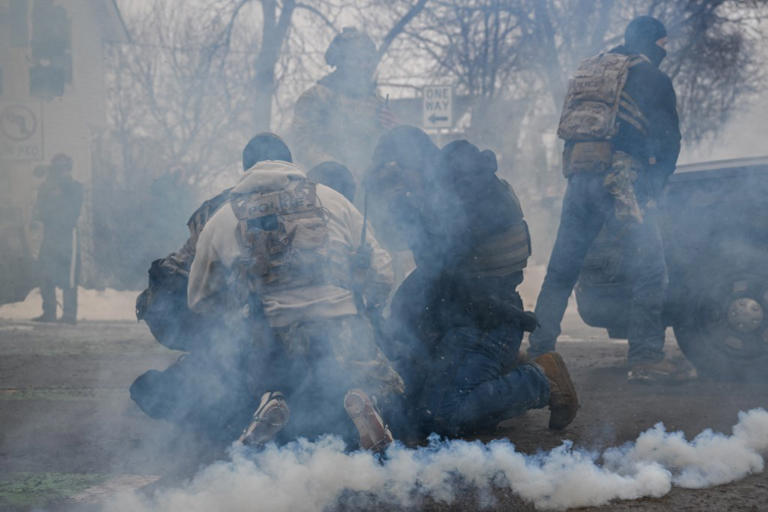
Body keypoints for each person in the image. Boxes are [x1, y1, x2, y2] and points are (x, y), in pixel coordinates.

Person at [187, 133, 404, 451]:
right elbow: (383, 269)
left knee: (255, 377)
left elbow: (199, 300)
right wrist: (369, 305)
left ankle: (271, 398)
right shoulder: (331, 199)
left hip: (271, 340)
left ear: (245, 168)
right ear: (291, 162)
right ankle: (363, 395)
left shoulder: (224, 217)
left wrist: (234, 318)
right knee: (387, 385)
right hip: (343, 328)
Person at [365, 126, 579, 440]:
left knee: (443, 414)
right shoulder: (435, 190)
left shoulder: (467, 185)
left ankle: (541, 379)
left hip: (487, 320)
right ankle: (498, 371)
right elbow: (399, 244)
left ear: (411, 165)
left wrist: (403, 202)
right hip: (453, 314)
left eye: (398, 176)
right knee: (406, 415)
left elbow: (441, 258)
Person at [528, 16, 685, 383]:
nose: (665, 52)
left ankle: (538, 351)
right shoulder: (653, 78)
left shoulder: (594, 71)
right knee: (650, 269)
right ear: (653, 43)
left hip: (580, 176)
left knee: (561, 270)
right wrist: (654, 185)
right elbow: (668, 142)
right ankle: (646, 357)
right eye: (663, 44)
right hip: (622, 182)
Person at [290, 27, 394, 184]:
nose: (364, 66)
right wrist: (337, 170)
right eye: (357, 60)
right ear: (341, 60)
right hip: (327, 186)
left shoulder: (376, 101)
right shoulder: (316, 97)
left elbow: (381, 148)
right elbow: (302, 144)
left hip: (369, 186)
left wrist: (392, 130)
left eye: (367, 60)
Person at [32, 154, 83, 324]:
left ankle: (69, 315)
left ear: (68, 169)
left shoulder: (75, 187)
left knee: (68, 275)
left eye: (61, 168)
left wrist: (55, 193)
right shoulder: (47, 187)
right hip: (51, 234)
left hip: (68, 235)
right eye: (56, 168)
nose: (59, 172)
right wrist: (48, 187)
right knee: (45, 272)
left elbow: (72, 212)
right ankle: (49, 311)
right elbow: (40, 210)